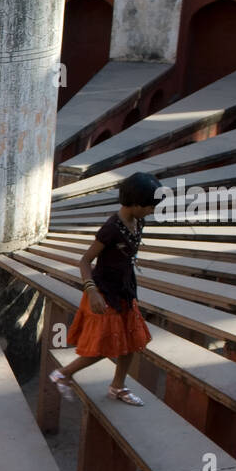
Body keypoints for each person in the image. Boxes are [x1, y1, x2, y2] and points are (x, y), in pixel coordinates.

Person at [49, 171, 161, 406]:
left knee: (131, 340)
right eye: (150, 206)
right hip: (103, 293)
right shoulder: (110, 229)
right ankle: (63, 374)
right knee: (104, 346)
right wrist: (92, 292)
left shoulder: (139, 221)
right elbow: (84, 261)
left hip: (125, 290)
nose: (152, 210)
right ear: (135, 203)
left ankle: (117, 386)